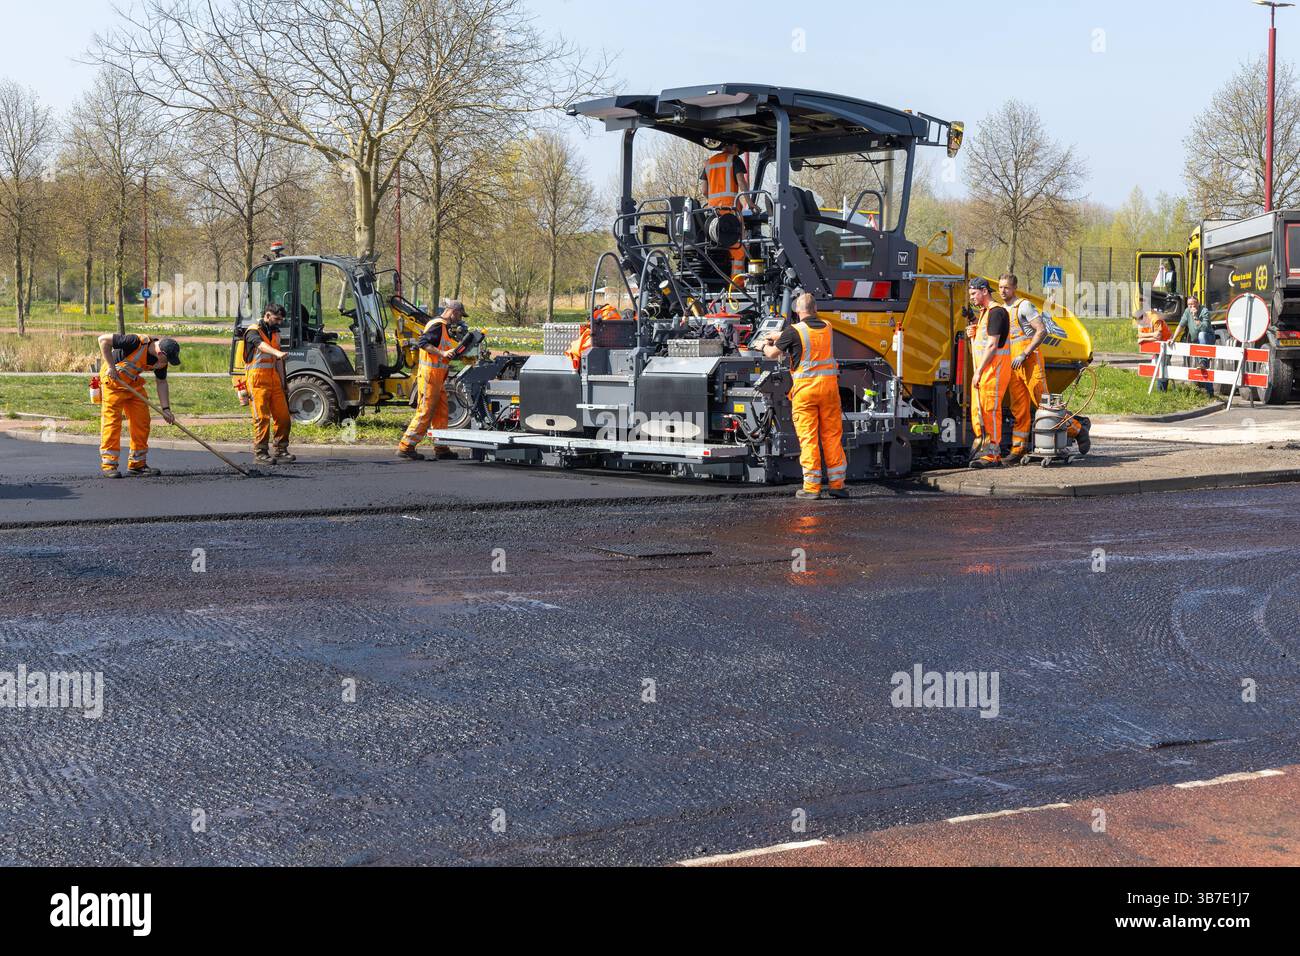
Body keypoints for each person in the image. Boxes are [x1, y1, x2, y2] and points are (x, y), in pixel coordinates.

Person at [762, 292, 848, 499]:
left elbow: (774, 354)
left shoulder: (793, 331)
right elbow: (807, 339)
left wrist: (765, 345)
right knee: (832, 437)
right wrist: (781, 337)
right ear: (815, 309)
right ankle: (837, 485)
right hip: (829, 390)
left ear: (797, 311)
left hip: (806, 392)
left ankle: (811, 488)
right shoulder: (827, 327)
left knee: (809, 439)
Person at [1000, 274, 1090, 459]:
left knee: (1044, 404)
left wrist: (1025, 353)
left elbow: (1041, 330)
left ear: (1014, 288)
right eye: (1000, 287)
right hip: (1014, 363)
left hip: (1029, 359)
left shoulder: (1024, 306)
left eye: (1006, 287)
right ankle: (1018, 449)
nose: (1002, 291)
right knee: (1019, 407)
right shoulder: (1003, 309)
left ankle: (1078, 430)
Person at [97, 332, 180, 478]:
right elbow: (102, 340)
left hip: (132, 385)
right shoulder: (135, 341)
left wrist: (166, 409)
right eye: (167, 359)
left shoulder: (160, 361)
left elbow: (161, 382)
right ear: (161, 353)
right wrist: (111, 366)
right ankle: (109, 465)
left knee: (142, 422)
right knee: (112, 423)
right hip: (113, 383)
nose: (167, 363)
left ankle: (137, 464)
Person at [396, 299, 465, 461]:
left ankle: (441, 448)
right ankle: (406, 447)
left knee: (441, 412)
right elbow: (423, 343)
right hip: (430, 377)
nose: (460, 319)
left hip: (437, 378)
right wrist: (442, 354)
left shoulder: (443, 328)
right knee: (425, 411)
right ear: (453, 312)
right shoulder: (438, 325)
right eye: (460, 315)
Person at [967, 278, 1011, 469]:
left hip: (993, 370)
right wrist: (974, 329)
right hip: (986, 370)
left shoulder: (997, 313)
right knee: (980, 410)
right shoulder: (986, 314)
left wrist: (979, 370)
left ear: (984, 291)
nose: (971, 298)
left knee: (990, 411)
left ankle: (993, 453)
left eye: (973, 294)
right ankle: (984, 446)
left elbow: (992, 345)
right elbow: (985, 340)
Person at [243, 304, 295, 464]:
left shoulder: (275, 333)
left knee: (284, 417)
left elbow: (278, 361)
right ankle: (260, 453)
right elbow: (261, 345)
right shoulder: (253, 331)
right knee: (262, 418)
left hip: (274, 380)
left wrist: (283, 382)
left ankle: (281, 449)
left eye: (281, 319)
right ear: (267, 315)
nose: (279, 322)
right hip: (257, 381)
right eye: (277, 319)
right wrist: (277, 352)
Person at [699, 143, 750, 279]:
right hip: (730, 213)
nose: (738, 151)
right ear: (733, 146)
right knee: (739, 250)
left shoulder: (708, 163)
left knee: (719, 248)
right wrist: (750, 203)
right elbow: (741, 182)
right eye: (738, 149)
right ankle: (737, 287)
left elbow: (704, 190)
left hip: (712, 215)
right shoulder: (734, 159)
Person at [1176, 295, 1216, 397]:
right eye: (1189, 304)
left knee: (1201, 334)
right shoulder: (1187, 311)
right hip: (1197, 342)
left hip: (1207, 339)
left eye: (1193, 304)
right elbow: (1181, 325)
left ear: (1197, 303)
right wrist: (1173, 338)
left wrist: (1195, 317)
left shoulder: (1204, 311)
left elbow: (1205, 328)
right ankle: (1210, 392)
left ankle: (1203, 359)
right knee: (1203, 368)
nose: (1191, 306)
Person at [1136, 309, 1173, 392]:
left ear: (1145, 317)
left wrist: (1144, 339)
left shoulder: (1156, 319)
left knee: (1162, 367)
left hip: (1166, 343)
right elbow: (1139, 335)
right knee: (1156, 366)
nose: (1141, 325)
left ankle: (1162, 391)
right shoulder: (1140, 320)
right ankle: (1162, 389)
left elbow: (1158, 336)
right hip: (1156, 345)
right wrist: (1152, 335)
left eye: (1142, 323)